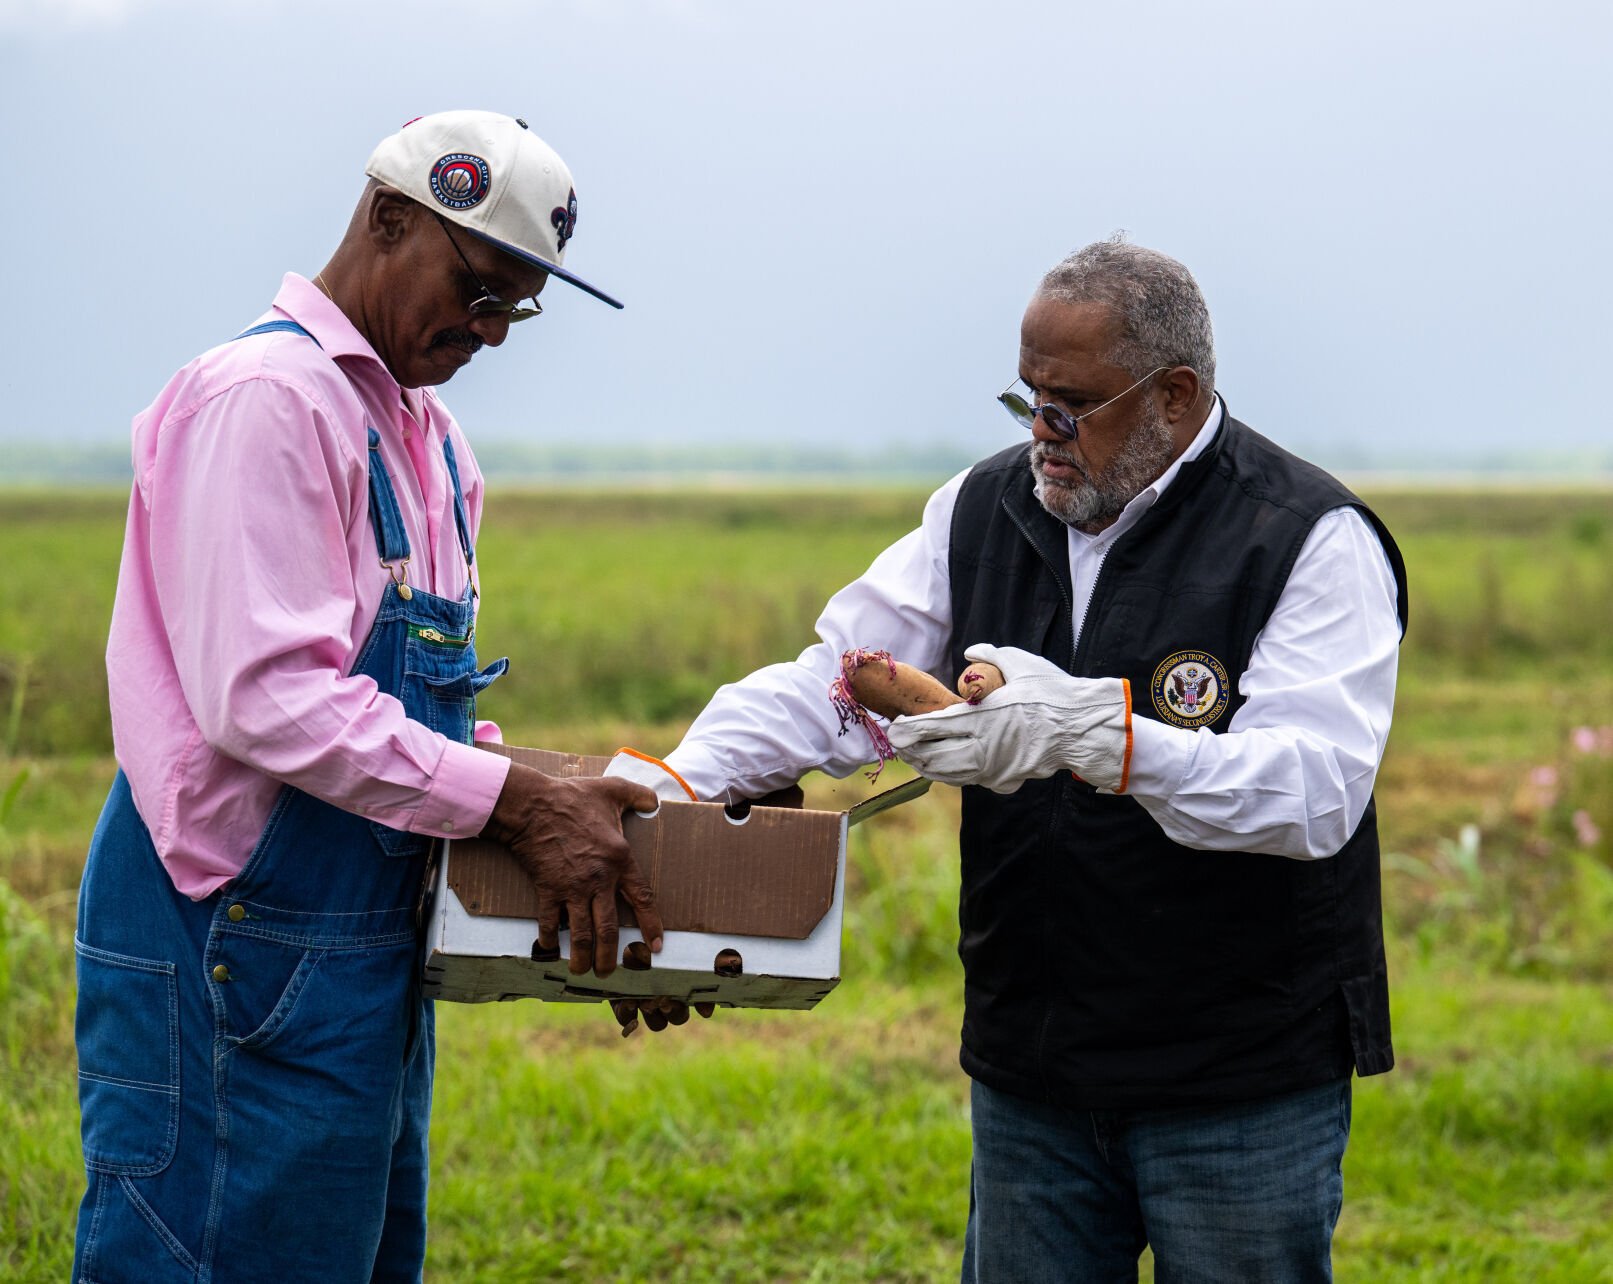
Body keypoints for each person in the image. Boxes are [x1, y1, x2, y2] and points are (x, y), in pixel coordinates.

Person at [610, 238, 1408, 1282]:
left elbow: (1310, 793)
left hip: (1241, 1076)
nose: (1041, 433)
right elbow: (841, 680)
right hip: (1032, 1066)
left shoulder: (1306, 537)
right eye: (1024, 397)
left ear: (1173, 398)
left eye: (1069, 405)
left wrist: (1097, 736)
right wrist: (675, 786)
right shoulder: (982, 507)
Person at [73, 110, 665, 1283]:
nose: (489, 333)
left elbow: (414, 712)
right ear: (390, 217)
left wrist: (563, 804)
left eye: (516, 311)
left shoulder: (438, 447)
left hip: (360, 956)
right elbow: (270, 702)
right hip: (232, 939)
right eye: (478, 288)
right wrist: (509, 805)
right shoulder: (265, 401)